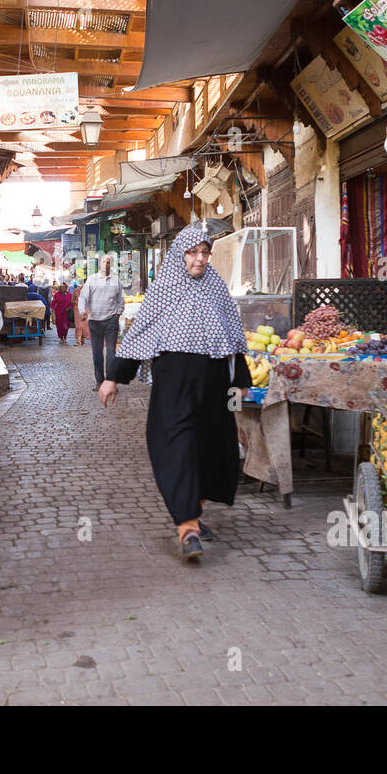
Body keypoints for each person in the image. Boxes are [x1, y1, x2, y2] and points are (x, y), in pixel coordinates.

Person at [98, 223, 250, 561]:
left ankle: (194, 509)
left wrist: (240, 380)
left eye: (204, 252)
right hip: (175, 382)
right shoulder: (164, 288)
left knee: (211, 448)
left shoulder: (216, 287)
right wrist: (113, 378)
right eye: (193, 252)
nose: (199, 259)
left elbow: (232, 336)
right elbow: (140, 335)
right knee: (176, 445)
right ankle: (187, 527)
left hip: (213, 383)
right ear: (180, 254)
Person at [78, 253, 124, 385]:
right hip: (95, 321)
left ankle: (110, 381)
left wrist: (118, 314)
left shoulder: (116, 280)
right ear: (100, 264)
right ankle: (99, 382)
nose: (106, 264)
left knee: (111, 352)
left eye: (108, 262)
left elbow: (121, 299)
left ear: (111, 264)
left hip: (111, 320)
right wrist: (82, 311)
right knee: (97, 353)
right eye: (104, 262)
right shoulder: (92, 279)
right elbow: (83, 297)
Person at [71, 279, 89, 346]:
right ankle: (78, 340)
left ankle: (82, 340)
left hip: (86, 310)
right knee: (78, 325)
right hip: (77, 310)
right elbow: (72, 301)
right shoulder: (76, 291)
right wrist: (77, 302)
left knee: (84, 325)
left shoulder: (89, 291)